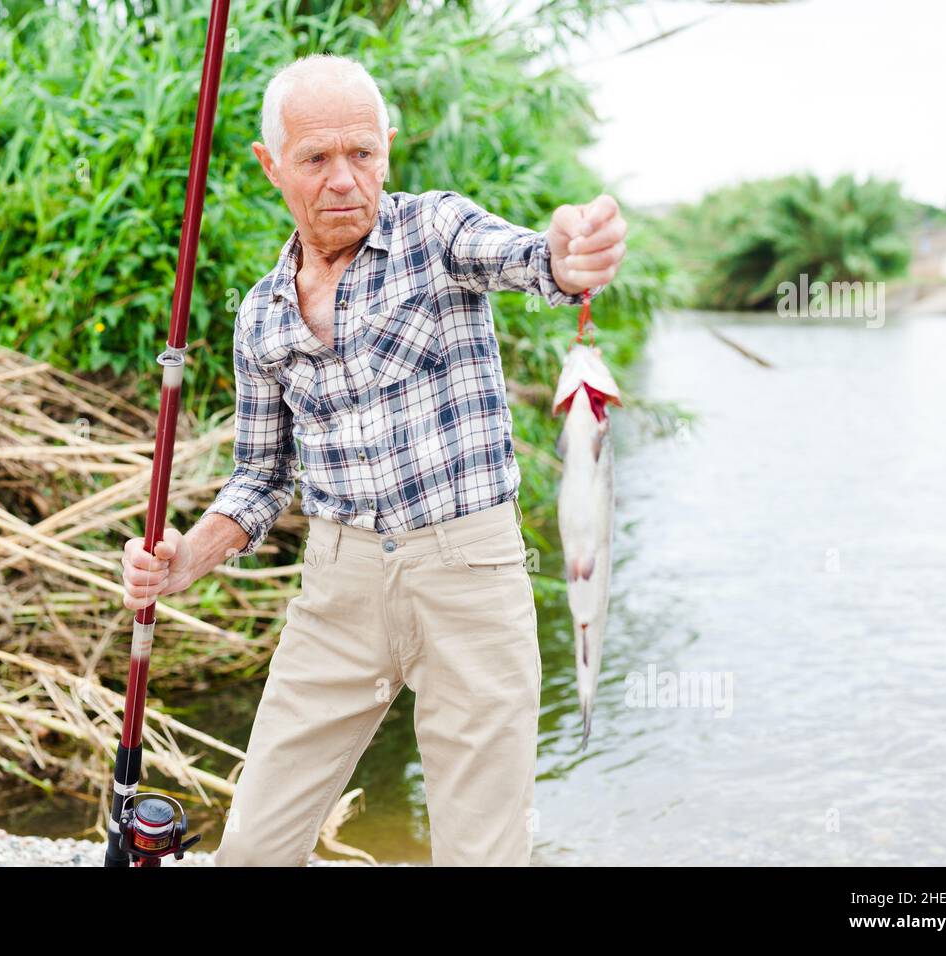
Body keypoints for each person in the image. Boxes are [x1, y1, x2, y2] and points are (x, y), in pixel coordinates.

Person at [120, 53, 627, 866]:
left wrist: (569, 256)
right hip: (338, 586)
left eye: (363, 153)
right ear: (271, 165)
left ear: (388, 148)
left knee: (481, 854)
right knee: (252, 847)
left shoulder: (437, 232)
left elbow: (536, 261)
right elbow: (259, 478)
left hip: (469, 579)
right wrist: (185, 559)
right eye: (317, 158)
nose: (345, 179)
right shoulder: (260, 315)